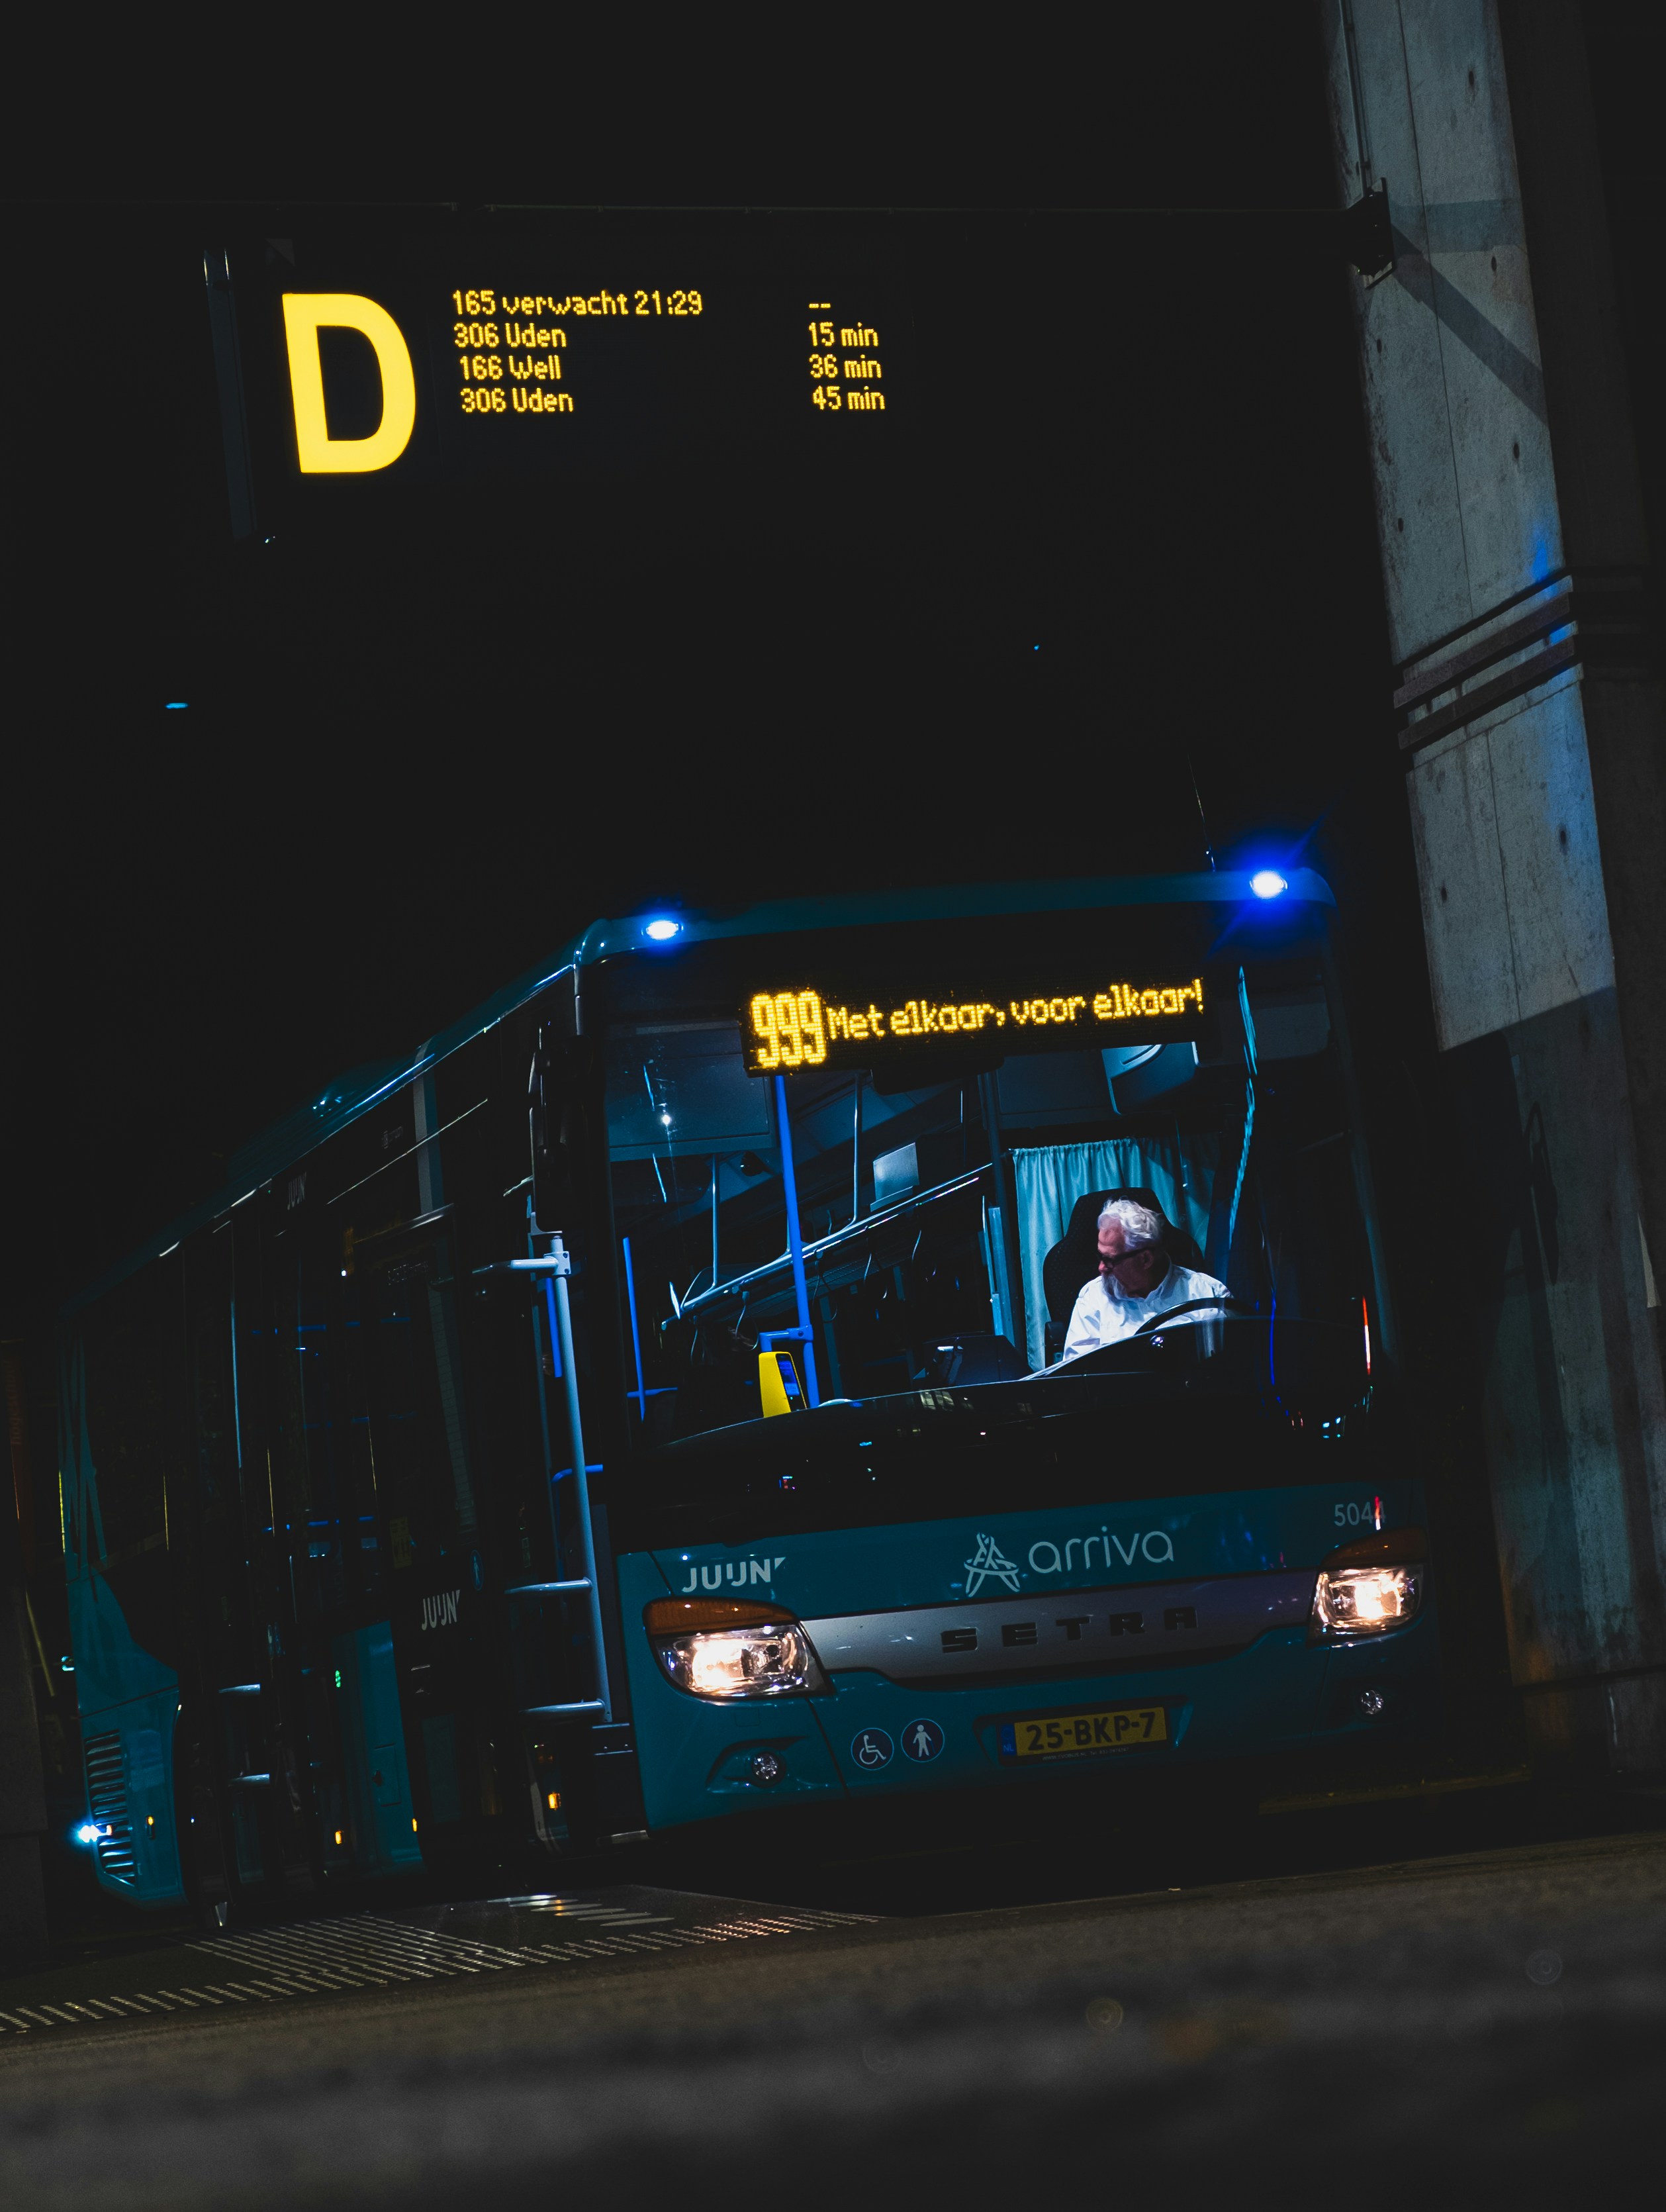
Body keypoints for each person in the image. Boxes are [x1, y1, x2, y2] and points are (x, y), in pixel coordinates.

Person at [1060, 1197, 1229, 1361]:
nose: (1101, 1268)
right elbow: (1076, 1374)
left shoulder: (1210, 1295)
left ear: (1146, 1259)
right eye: (1100, 1256)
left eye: (1110, 1260)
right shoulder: (1093, 1298)